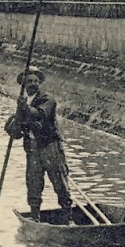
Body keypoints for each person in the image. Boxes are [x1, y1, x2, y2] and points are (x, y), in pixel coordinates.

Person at [4, 66, 74, 218]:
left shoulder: (47, 100)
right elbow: (14, 130)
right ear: (23, 84)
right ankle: (35, 218)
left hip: (51, 148)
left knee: (60, 183)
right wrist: (15, 124)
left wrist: (24, 108)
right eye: (29, 81)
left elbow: (40, 114)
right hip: (32, 150)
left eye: (36, 81)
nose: (33, 84)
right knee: (33, 184)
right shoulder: (22, 103)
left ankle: (67, 217)